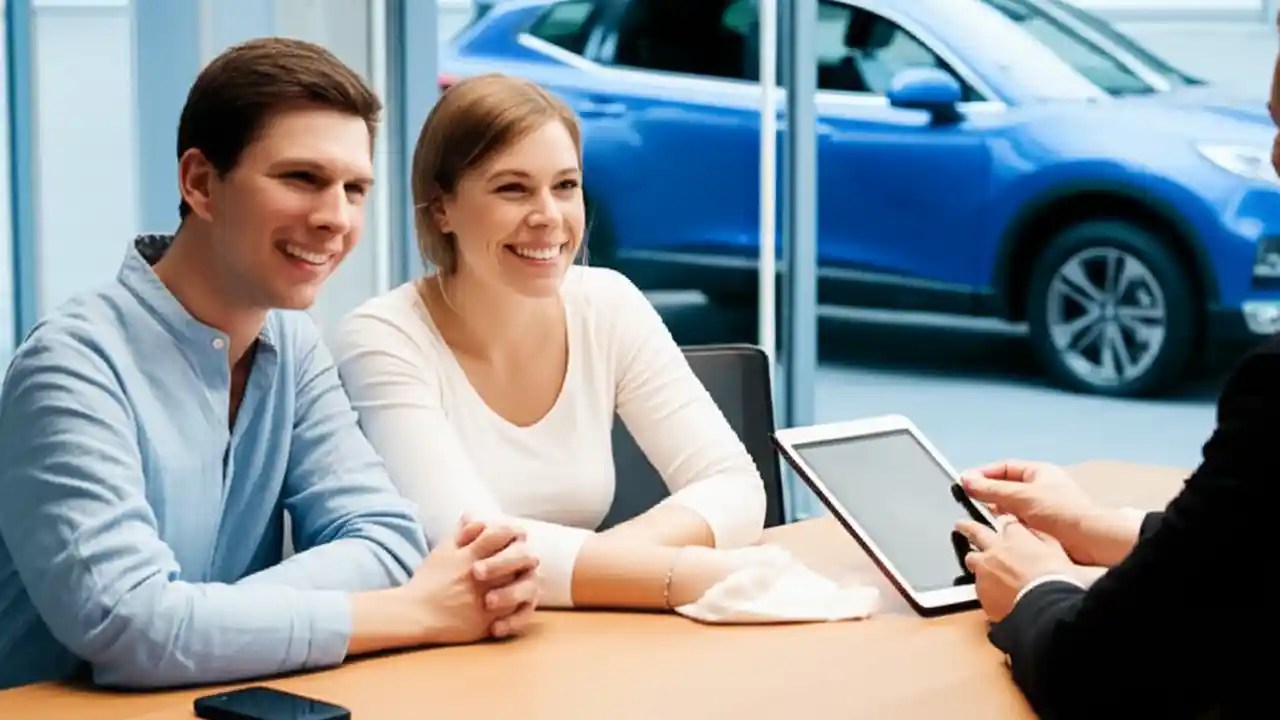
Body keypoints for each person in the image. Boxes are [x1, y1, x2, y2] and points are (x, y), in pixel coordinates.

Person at [0, 39, 537, 691]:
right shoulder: (71, 369)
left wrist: (200, 627)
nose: (336, 218)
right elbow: (132, 628)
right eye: (301, 179)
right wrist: (412, 614)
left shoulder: (294, 345)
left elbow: (388, 540)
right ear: (200, 183)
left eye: (355, 189)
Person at [331, 73, 768, 613]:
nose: (549, 217)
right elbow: (476, 549)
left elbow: (735, 485)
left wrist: (613, 562)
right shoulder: (382, 339)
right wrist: (688, 573)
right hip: (450, 661)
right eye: (512, 188)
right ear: (441, 208)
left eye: (565, 186)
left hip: (570, 633)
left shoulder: (608, 303)